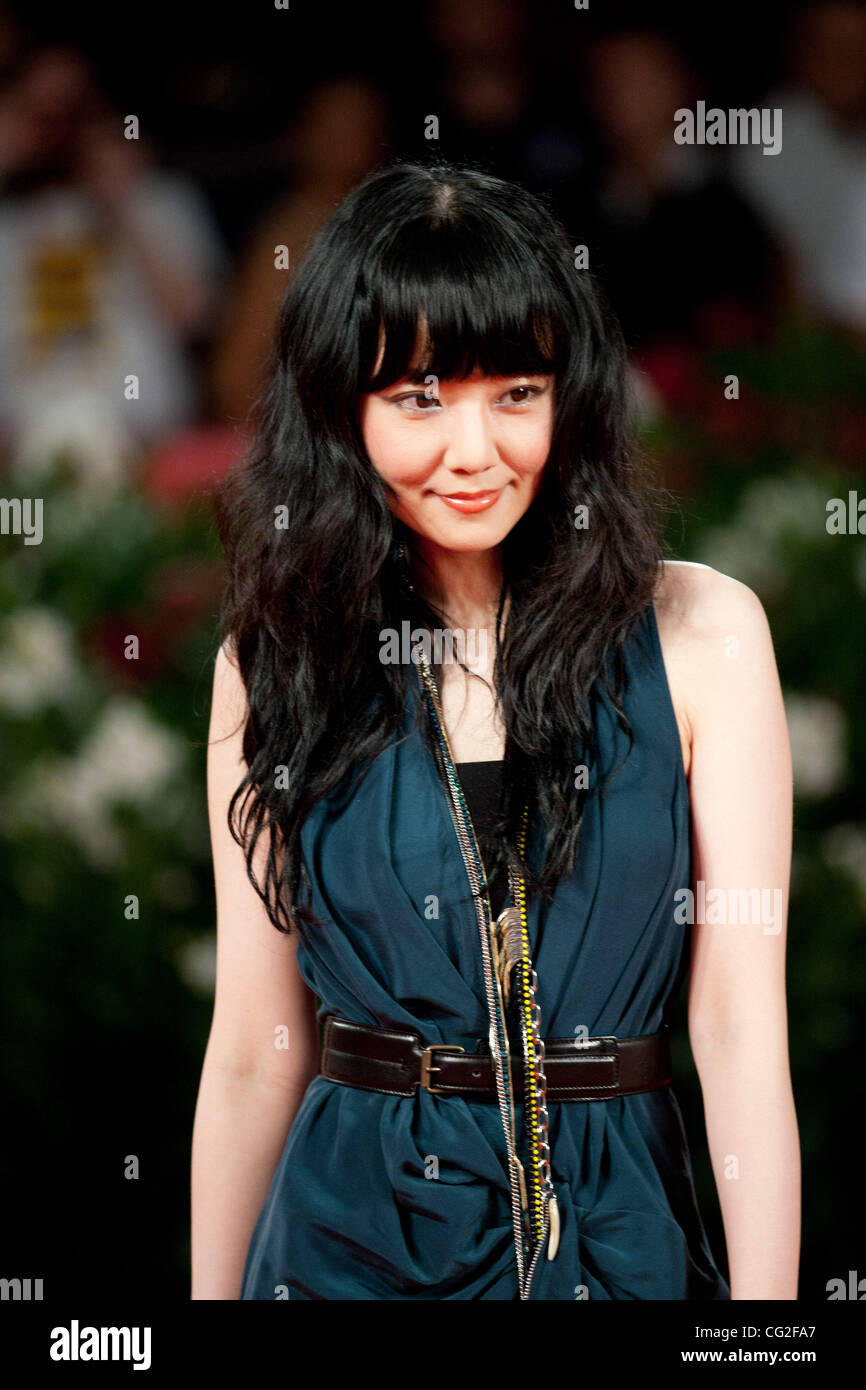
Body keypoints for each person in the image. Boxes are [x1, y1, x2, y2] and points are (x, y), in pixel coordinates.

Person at [191, 160, 799, 1300]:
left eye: (514, 391)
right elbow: (248, 1051)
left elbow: (734, 1029)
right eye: (420, 398)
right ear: (340, 409)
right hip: (345, 1244)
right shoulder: (271, 662)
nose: (474, 449)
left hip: (615, 1239)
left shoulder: (703, 631)